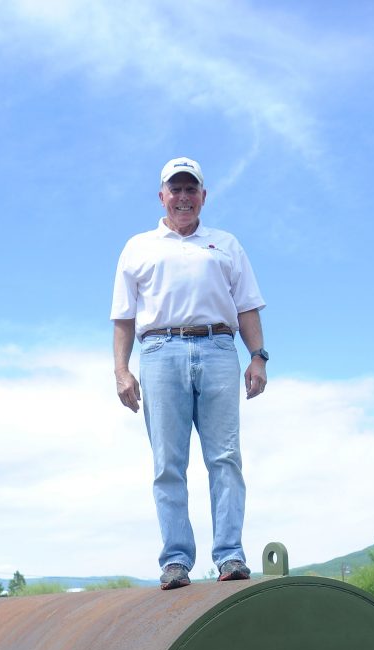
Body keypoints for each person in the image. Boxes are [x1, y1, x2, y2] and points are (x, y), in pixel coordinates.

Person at [111, 156, 268, 589]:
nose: (183, 197)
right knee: (168, 463)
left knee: (225, 458)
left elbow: (247, 305)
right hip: (160, 351)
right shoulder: (138, 247)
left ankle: (230, 556)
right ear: (162, 195)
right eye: (175, 189)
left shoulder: (226, 244)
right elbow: (123, 316)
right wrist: (122, 370)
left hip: (219, 347)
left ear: (203, 196)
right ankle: (176, 560)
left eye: (190, 189)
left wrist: (258, 356)